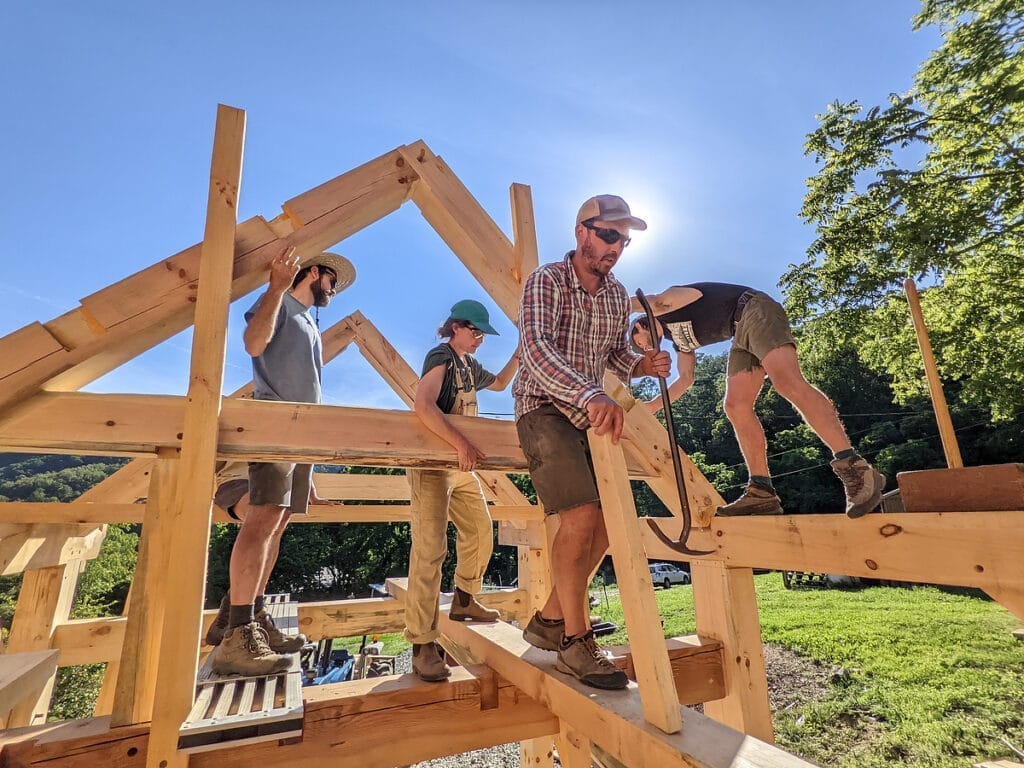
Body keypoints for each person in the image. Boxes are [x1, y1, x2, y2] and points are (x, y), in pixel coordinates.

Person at [513, 195, 670, 690]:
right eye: (608, 235)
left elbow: (614, 356)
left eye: (623, 240)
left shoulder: (615, 294)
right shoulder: (546, 280)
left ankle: (551, 618)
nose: (616, 247)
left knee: (608, 523)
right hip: (543, 408)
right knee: (580, 515)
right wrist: (589, 391)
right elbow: (536, 350)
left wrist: (642, 365)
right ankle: (574, 643)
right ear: (581, 231)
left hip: (588, 412)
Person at [206, 246, 354, 676]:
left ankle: (245, 616)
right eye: (332, 281)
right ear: (313, 274)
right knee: (262, 520)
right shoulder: (280, 304)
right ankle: (238, 637)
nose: (334, 290)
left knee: (277, 523)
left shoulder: (308, 320)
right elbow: (253, 343)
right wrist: (275, 286)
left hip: (300, 433)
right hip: (276, 423)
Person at [628, 282, 885, 518]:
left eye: (638, 342)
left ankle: (855, 466)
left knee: (786, 381)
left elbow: (657, 301)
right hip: (738, 333)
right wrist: (652, 407)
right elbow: (686, 379)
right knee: (735, 405)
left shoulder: (666, 305)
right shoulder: (679, 341)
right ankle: (762, 491)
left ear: (639, 326)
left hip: (754, 309)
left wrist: (614, 303)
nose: (644, 348)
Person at [404, 300, 519, 682]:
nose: (480, 339)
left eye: (483, 334)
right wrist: (461, 444)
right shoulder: (441, 356)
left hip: (459, 467)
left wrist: (523, 351)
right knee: (430, 550)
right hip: (433, 465)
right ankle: (422, 644)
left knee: (480, 530)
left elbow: (501, 383)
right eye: (475, 332)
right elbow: (423, 405)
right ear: (456, 327)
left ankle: (466, 599)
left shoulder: (470, 366)